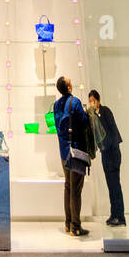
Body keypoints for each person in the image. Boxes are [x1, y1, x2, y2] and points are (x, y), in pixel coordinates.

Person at [53, 75, 91, 238]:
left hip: (63, 151)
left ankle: (68, 223)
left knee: (68, 186)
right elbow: (84, 123)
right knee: (75, 188)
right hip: (75, 150)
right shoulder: (74, 102)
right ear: (68, 88)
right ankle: (76, 226)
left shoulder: (56, 104)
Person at [88, 91, 125, 227]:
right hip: (105, 153)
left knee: (115, 185)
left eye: (93, 100)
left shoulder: (105, 111)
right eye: (90, 100)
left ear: (98, 100)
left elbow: (112, 131)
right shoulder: (94, 116)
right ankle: (114, 214)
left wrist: (107, 145)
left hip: (112, 152)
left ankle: (120, 216)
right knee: (111, 185)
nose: (92, 103)